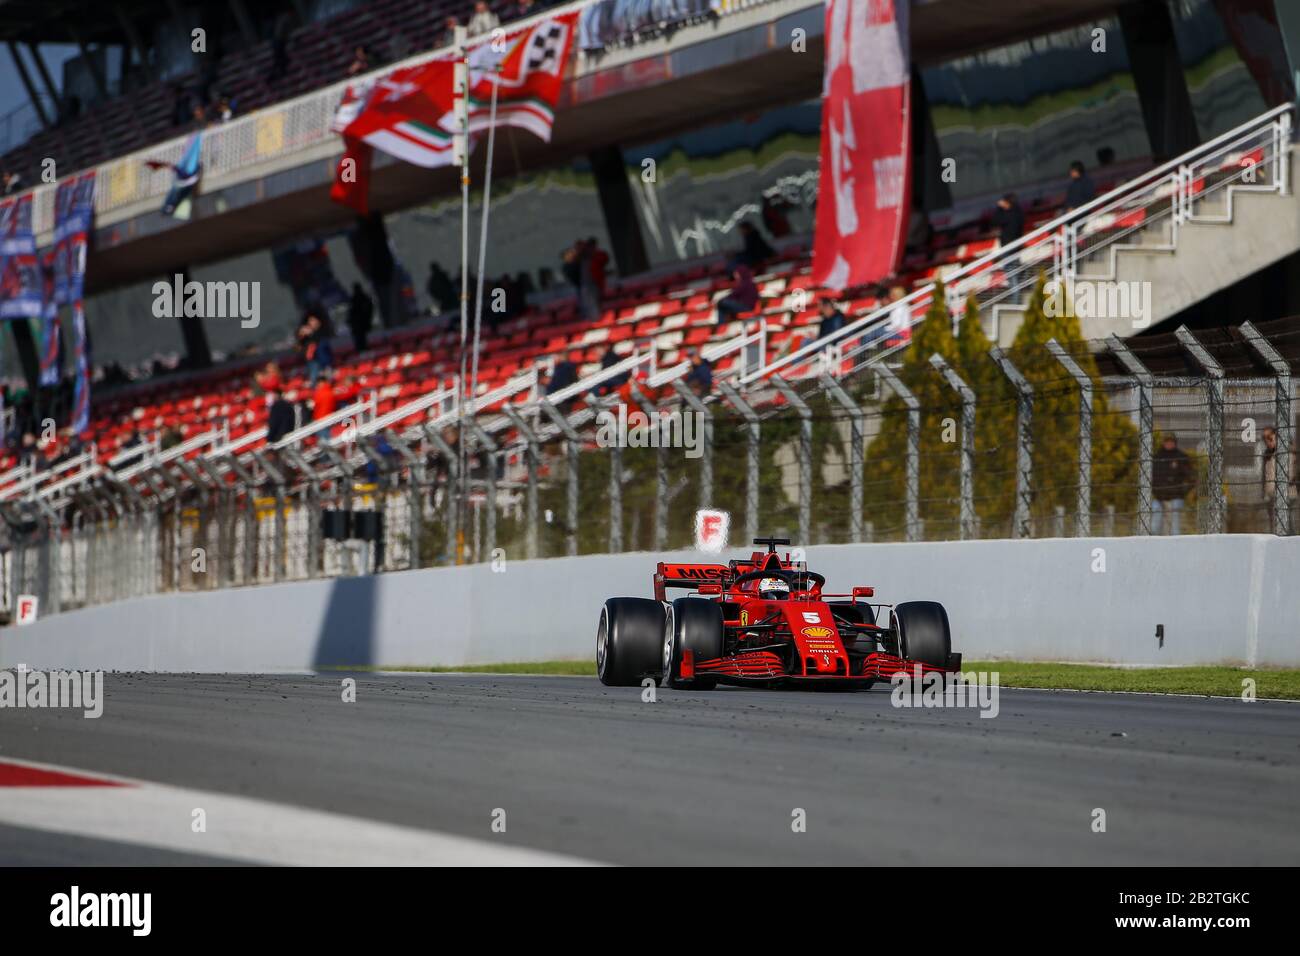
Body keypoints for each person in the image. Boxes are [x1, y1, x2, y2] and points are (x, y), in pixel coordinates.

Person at [1152, 433, 1193, 535]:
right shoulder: (1156, 457)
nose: (1169, 444)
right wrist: (1155, 491)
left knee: (1175, 527)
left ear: (1175, 443)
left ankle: (1177, 547)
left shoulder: (1182, 457)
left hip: (1176, 497)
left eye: (1171, 442)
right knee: (1154, 527)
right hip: (1159, 497)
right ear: (1163, 442)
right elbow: (1151, 477)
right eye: (1167, 441)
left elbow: (1191, 478)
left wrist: (1183, 492)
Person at [1260, 426, 1297, 530]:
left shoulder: (1288, 452)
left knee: (1288, 524)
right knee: (1273, 525)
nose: (1267, 442)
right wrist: (1265, 493)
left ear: (1277, 437)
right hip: (1271, 495)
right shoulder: (1267, 454)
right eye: (1265, 439)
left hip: (1288, 494)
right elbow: (1265, 475)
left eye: (1270, 438)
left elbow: (1291, 474)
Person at [347, 282, 374, 353]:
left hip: (360, 322)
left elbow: (352, 311)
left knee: (360, 337)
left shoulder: (357, 299)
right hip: (359, 322)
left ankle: (362, 349)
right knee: (360, 337)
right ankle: (362, 349)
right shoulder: (360, 298)